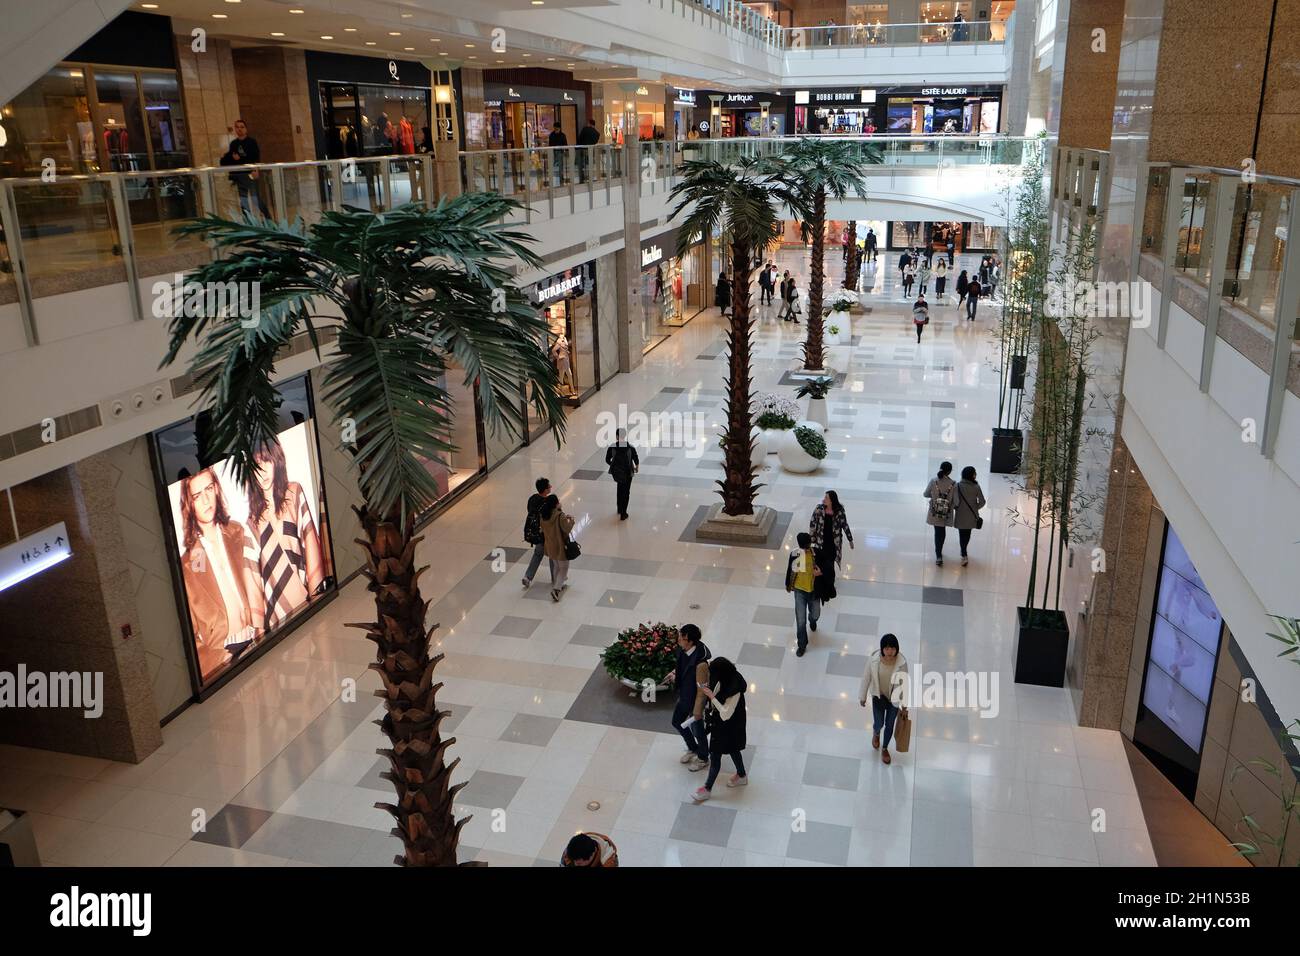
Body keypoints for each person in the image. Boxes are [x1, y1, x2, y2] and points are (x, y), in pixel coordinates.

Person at [178, 467, 265, 678]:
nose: (206, 500)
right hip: (223, 653)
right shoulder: (188, 564)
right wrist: (217, 659)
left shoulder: (237, 531)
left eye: (209, 488)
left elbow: (260, 583)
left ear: (216, 488)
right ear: (189, 504)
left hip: (257, 635)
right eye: (198, 496)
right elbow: (190, 638)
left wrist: (262, 630)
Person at [246, 441, 326, 628]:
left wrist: (317, 599)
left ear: (276, 461)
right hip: (277, 620)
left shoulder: (293, 493)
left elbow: (310, 545)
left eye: (266, 461)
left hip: (308, 599)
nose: (262, 471)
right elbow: (254, 580)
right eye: (256, 465)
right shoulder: (252, 523)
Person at [690, 657, 748, 802]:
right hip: (723, 725)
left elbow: (725, 714)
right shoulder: (723, 677)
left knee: (716, 755)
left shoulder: (735, 689)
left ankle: (707, 788)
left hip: (728, 725)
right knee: (734, 750)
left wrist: (711, 696)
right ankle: (741, 775)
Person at [665, 623, 711, 770]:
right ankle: (693, 748)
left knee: (698, 730)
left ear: (690, 641)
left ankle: (703, 757)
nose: (679, 639)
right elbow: (682, 667)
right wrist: (674, 673)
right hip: (684, 695)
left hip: (695, 700)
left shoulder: (701, 663)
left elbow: (702, 689)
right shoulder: (683, 650)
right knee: (676, 721)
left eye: (682, 637)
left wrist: (698, 710)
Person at [858, 634, 909, 765]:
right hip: (878, 696)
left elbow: (905, 684)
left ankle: (885, 748)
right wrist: (862, 696)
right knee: (879, 722)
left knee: (890, 725)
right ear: (882, 649)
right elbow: (866, 678)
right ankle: (876, 732)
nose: (890, 652)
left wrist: (905, 704)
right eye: (886, 649)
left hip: (894, 699)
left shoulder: (901, 663)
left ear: (896, 649)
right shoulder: (874, 660)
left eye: (892, 648)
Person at [809, 490, 853, 607]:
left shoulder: (839, 512)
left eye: (826, 498)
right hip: (820, 544)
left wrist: (850, 539)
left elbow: (845, 525)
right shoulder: (819, 510)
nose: (824, 499)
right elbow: (813, 525)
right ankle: (823, 585)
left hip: (833, 544)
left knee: (830, 565)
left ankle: (830, 586)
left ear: (832, 500)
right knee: (821, 564)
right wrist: (811, 541)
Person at [220, 119, 271, 218]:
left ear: (246, 129)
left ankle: (268, 218)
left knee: (255, 198)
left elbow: (255, 157)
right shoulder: (234, 144)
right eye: (237, 127)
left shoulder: (251, 142)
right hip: (240, 175)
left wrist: (255, 169)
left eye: (242, 127)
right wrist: (232, 158)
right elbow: (228, 159)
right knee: (243, 200)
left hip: (250, 174)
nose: (239, 129)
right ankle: (248, 221)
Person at [785, 532, 823, 657]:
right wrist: (788, 585)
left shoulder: (816, 553)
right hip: (799, 590)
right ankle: (802, 645)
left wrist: (820, 573)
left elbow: (826, 567)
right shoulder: (795, 554)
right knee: (800, 621)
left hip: (813, 590)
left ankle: (812, 619)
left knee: (816, 614)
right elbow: (790, 570)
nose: (805, 547)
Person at [539, 494, 574, 601]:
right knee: (564, 568)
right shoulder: (559, 515)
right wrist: (571, 520)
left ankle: (557, 583)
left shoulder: (543, 515)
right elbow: (567, 529)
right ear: (555, 503)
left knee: (556, 566)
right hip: (560, 545)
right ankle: (556, 589)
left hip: (549, 545)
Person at [923, 461, 957, 567]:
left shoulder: (934, 481)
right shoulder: (954, 484)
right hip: (946, 513)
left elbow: (925, 494)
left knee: (937, 531)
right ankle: (939, 553)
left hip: (935, 511)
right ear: (950, 471)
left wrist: (934, 497)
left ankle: (938, 555)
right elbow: (956, 501)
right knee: (942, 531)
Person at [952, 466, 987, 566]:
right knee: (967, 534)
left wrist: (957, 508)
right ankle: (964, 552)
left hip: (960, 515)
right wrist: (975, 508)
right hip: (972, 515)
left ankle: (963, 553)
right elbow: (982, 502)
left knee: (961, 534)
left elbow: (955, 501)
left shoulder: (957, 486)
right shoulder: (976, 487)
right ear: (972, 475)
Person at [521, 477, 551, 588]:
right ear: (545, 490)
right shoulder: (547, 502)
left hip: (536, 532)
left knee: (538, 554)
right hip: (547, 533)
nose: (551, 487)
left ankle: (527, 577)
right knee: (552, 554)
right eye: (549, 486)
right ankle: (556, 579)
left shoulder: (532, 498)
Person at [604, 427, 639, 520]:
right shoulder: (630, 447)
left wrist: (613, 465)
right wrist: (636, 467)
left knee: (620, 489)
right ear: (625, 436)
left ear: (617, 436)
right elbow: (636, 458)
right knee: (626, 492)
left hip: (618, 474)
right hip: (628, 473)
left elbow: (607, 459)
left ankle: (619, 509)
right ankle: (624, 513)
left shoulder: (612, 447)